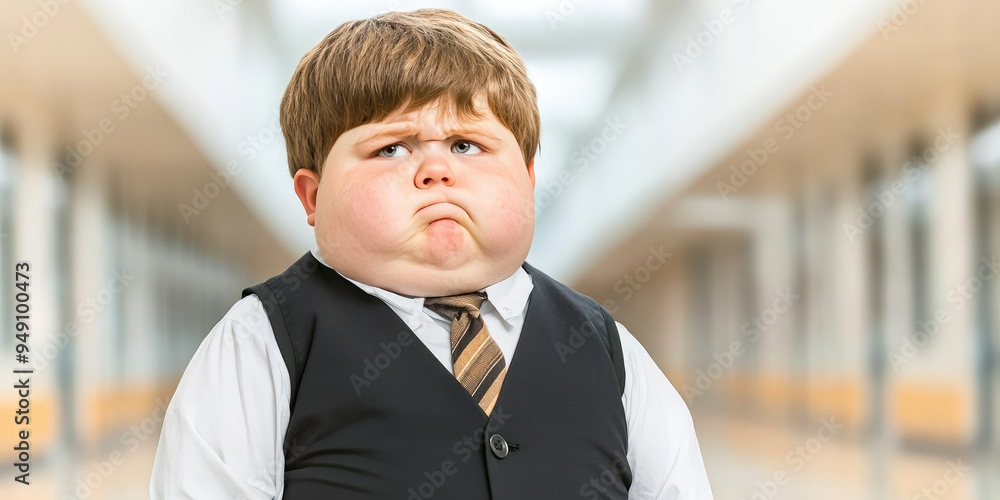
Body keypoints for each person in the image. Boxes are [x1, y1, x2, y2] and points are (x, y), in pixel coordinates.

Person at [149, 8, 713, 499]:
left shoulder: (607, 348)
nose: (437, 170)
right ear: (313, 196)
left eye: (467, 144)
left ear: (528, 177)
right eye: (391, 148)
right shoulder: (261, 344)